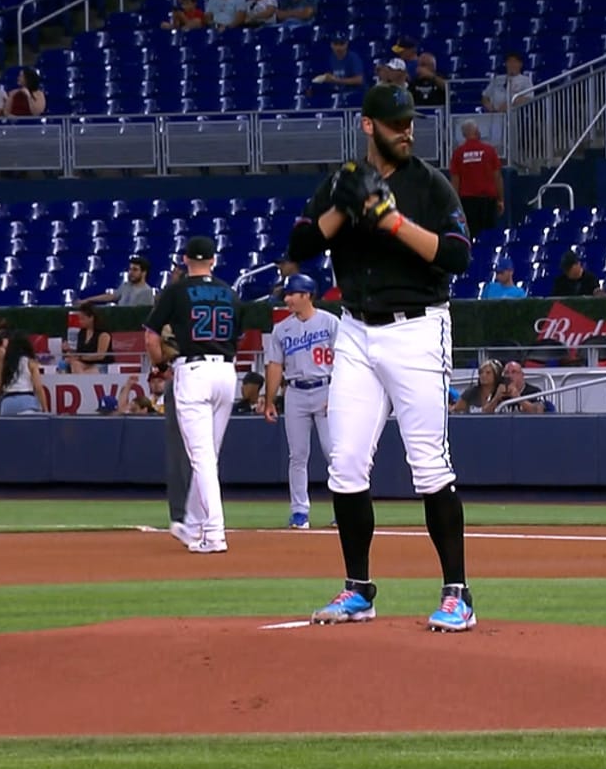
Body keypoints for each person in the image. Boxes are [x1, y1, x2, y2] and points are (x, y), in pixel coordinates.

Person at [287, 84, 476, 632]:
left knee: (429, 465)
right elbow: (299, 247)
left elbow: (458, 255)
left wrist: (389, 219)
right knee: (344, 464)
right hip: (355, 330)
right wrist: (345, 211)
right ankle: (358, 589)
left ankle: (457, 593)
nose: (406, 131)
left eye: (409, 122)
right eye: (394, 123)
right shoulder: (343, 181)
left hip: (416, 328)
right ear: (368, 125)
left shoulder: (430, 185)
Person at [143, 236, 241, 554]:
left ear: (185, 259)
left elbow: (150, 337)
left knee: (201, 459)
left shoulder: (176, 290)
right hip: (226, 371)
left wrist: (160, 365)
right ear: (213, 260)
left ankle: (214, 534)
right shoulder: (229, 292)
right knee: (208, 457)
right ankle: (193, 524)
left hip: (194, 371)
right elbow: (236, 333)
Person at [263, 274, 340, 530]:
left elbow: (345, 361)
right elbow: (275, 365)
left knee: (334, 453)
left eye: (291, 294)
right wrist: (270, 400)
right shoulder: (282, 329)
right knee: (297, 455)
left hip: (326, 389)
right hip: (295, 392)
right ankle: (299, 512)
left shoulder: (330, 322)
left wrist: (338, 393)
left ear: (306, 295)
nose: (287, 299)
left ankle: (343, 509)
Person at [449, 120, 503, 235]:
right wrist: (501, 199)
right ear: (477, 132)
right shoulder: (489, 151)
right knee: (489, 236)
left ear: (464, 135)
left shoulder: (458, 153)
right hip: (488, 200)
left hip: (467, 202)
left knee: (470, 234)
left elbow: (455, 181)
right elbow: (497, 177)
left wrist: (454, 205)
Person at [0, 332, 49, 415]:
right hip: (26, 401)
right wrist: (45, 409)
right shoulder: (30, 363)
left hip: (7, 402)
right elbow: (38, 387)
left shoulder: (4, 363)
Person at [84, 256, 157, 306]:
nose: (131, 272)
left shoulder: (146, 292)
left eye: (135, 270)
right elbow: (112, 297)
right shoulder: (126, 285)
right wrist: (88, 300)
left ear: (144, 273)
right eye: (130, 269)